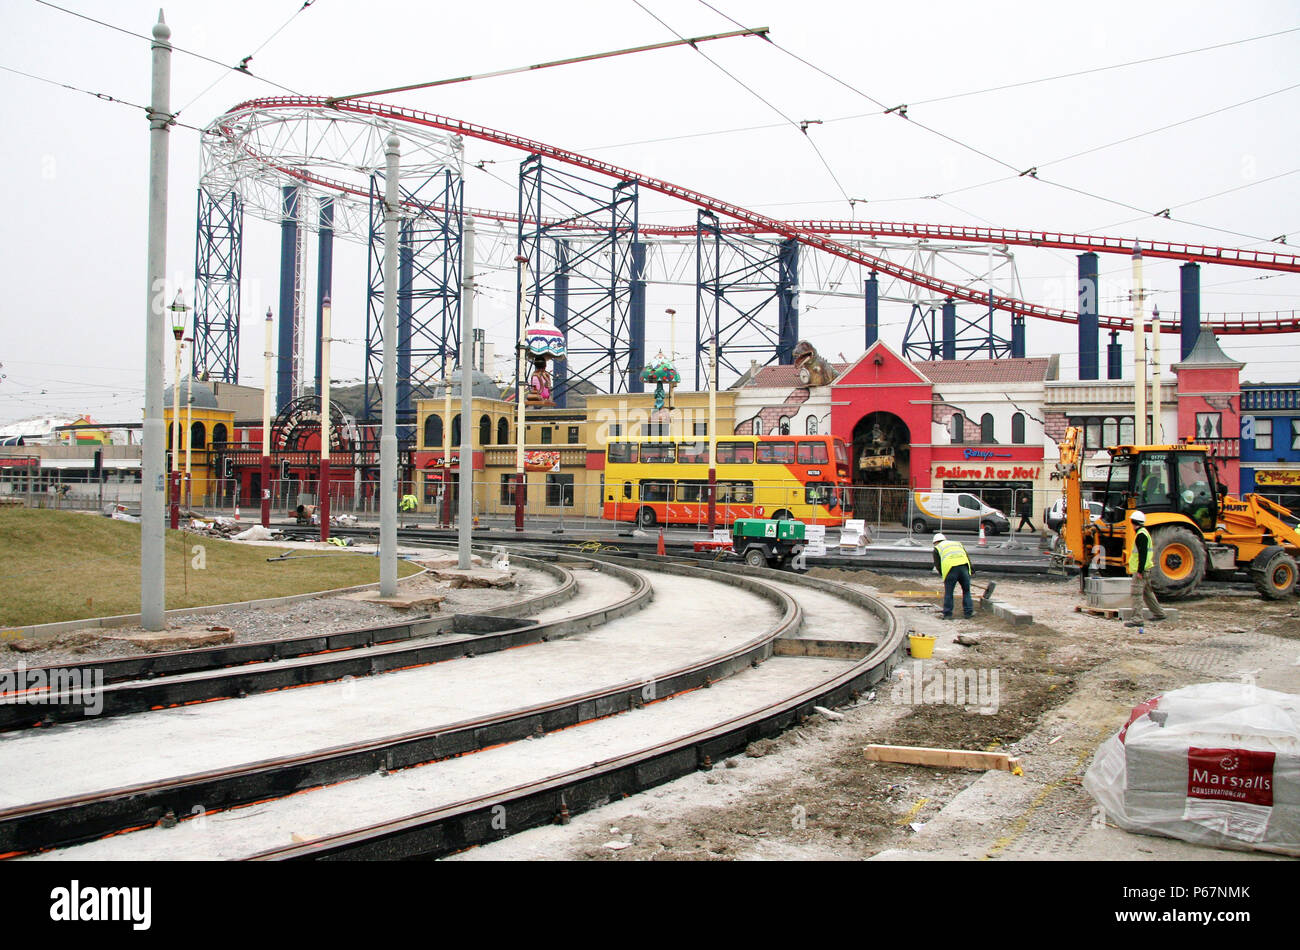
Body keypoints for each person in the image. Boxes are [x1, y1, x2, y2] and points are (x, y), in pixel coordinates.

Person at [1124, 510, 1168, 627]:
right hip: (1146, 569)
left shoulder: (1141, 535)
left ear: (1133, 522)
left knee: (1136, 594)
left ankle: (1137, 619)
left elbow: (1142, 554)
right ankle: (1159, 613)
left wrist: (1139, 571)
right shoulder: (1144, 533)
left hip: (1142, 570)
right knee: (1147, 593)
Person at [932, 532, 975, 620]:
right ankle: (968, 613)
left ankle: (948, 614)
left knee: (949, 593)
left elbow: (938, 565)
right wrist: (971, 570)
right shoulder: (957, 544)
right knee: (966, 591)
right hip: (964, 568)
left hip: (950, 570)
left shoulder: (937, 548)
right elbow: (967, 557)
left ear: (935, 542)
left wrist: (943, 575)